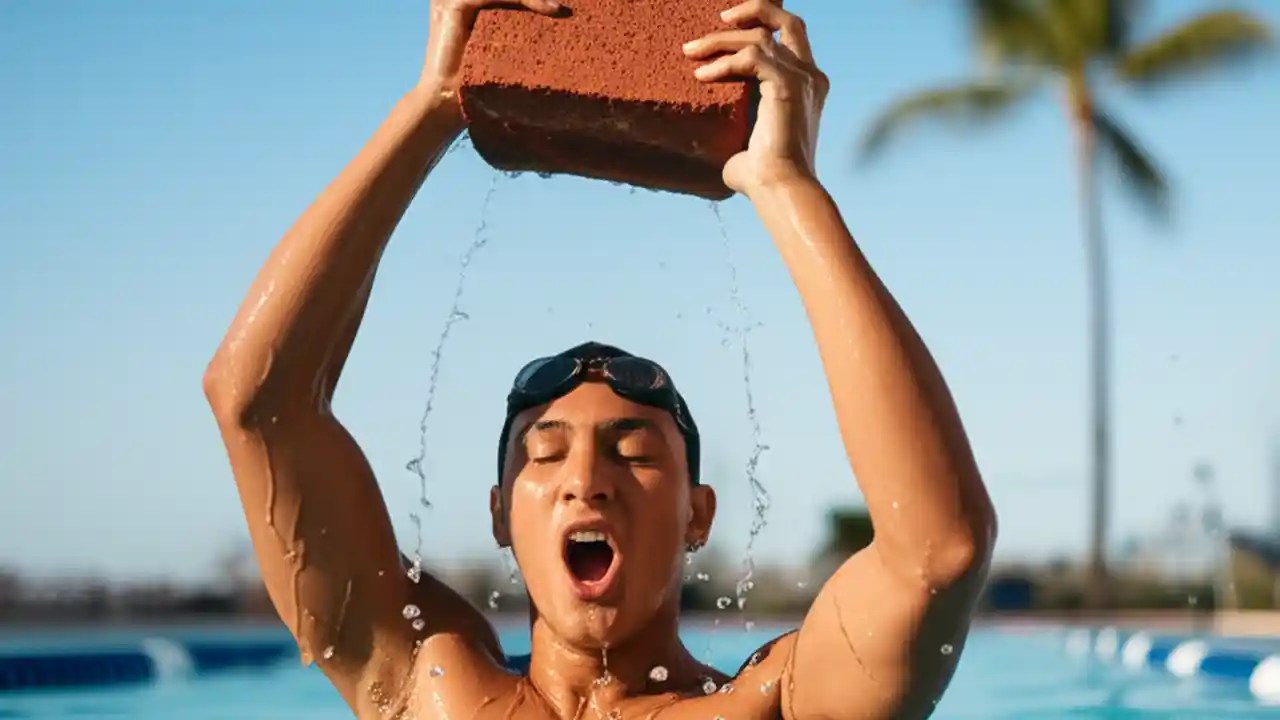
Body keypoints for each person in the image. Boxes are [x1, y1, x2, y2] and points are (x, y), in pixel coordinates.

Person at [202, 0, 997, 717]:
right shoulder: (425, 687)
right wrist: (430, 108)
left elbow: (939, 551)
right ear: (500, 514)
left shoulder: (771, 707)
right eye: (545, 456)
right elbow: (257, 402)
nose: (587, 481)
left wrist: (785, 185)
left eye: (635, 453)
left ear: (698, 514)